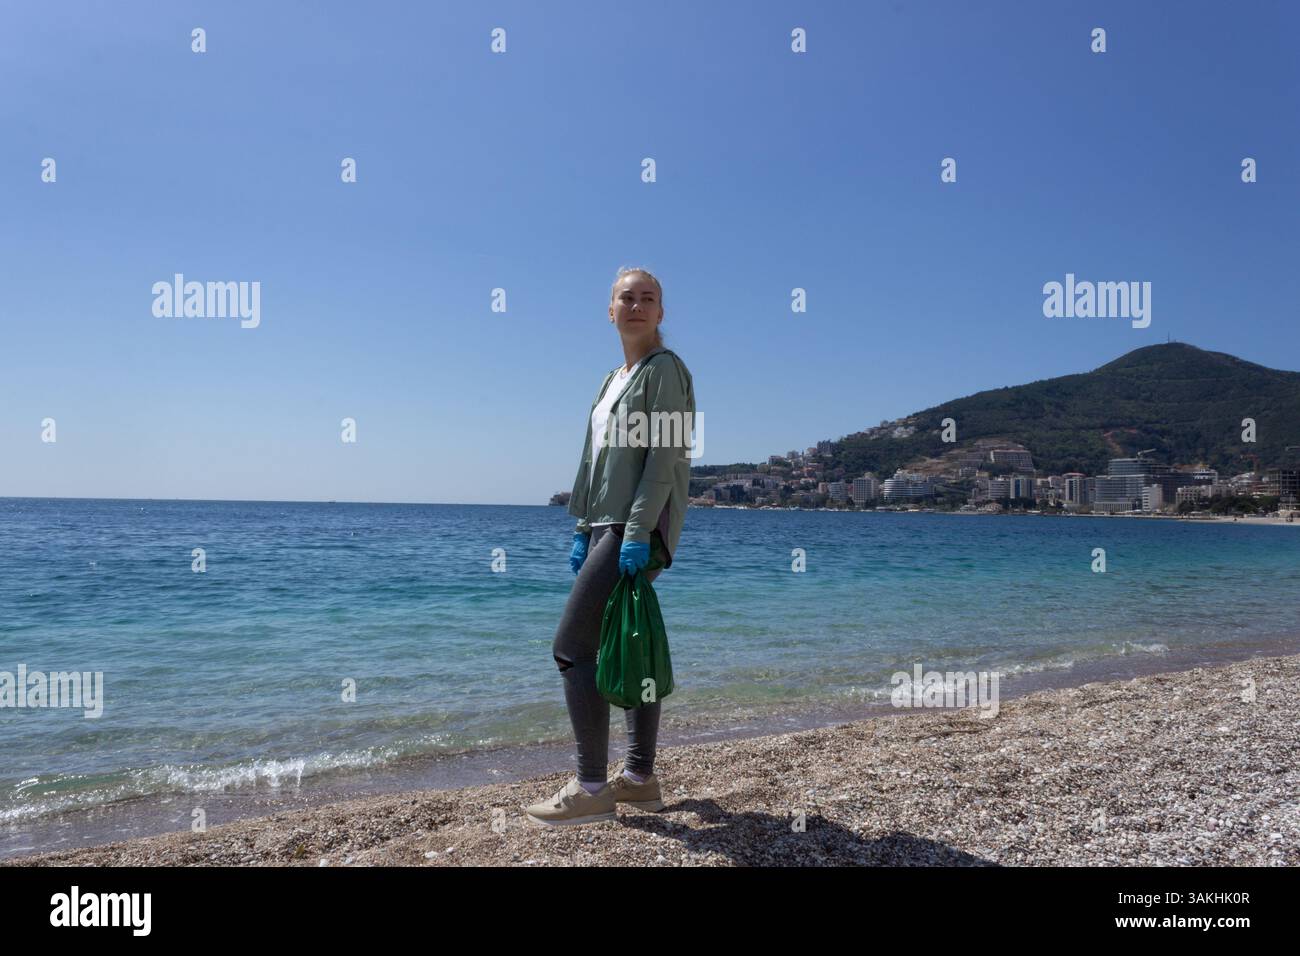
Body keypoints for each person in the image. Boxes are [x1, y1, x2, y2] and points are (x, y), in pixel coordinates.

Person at [524, 267, 695, 827]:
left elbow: (663, 460)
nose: (637, 305)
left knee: (573, 647)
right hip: (605, 525)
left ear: (661, 313)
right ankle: (640, 781)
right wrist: (581, 529)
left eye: (649, 298)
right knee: (629, 638)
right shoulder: (610, 380)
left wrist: (640, 532)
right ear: (611, 310)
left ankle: (592, 786)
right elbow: (592, 462)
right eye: (628, 297)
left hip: (636, 526)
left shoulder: (663, 370)